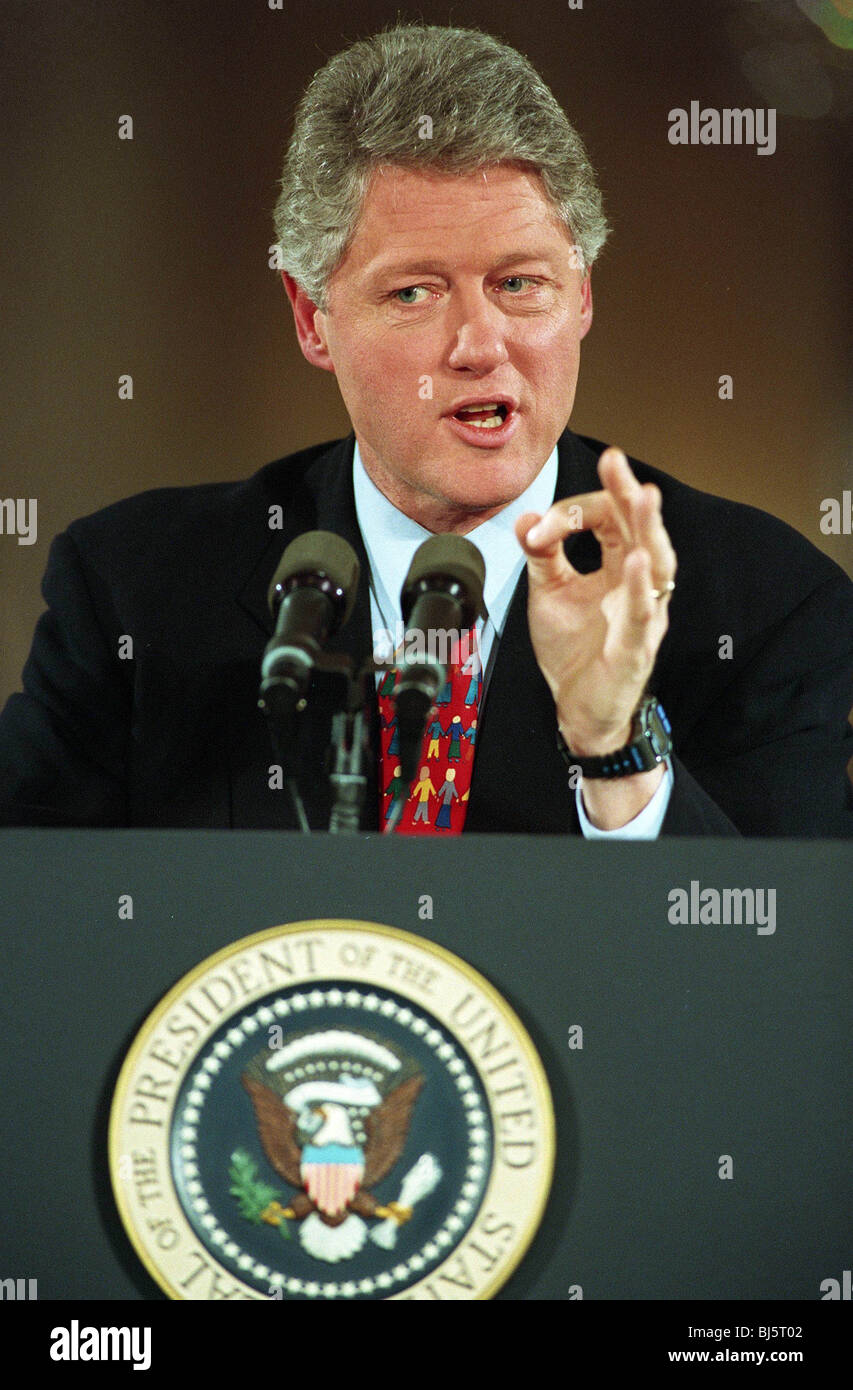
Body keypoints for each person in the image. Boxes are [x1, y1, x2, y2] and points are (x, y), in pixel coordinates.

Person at [0, 24, 850, 836]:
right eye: (414, 292)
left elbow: (778, 958)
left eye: (519, 283)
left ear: (582, 295)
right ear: (311, 318)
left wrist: (615, 747)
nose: (479, 345)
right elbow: (37, 919)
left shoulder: (767, 604)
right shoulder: (133, 591)